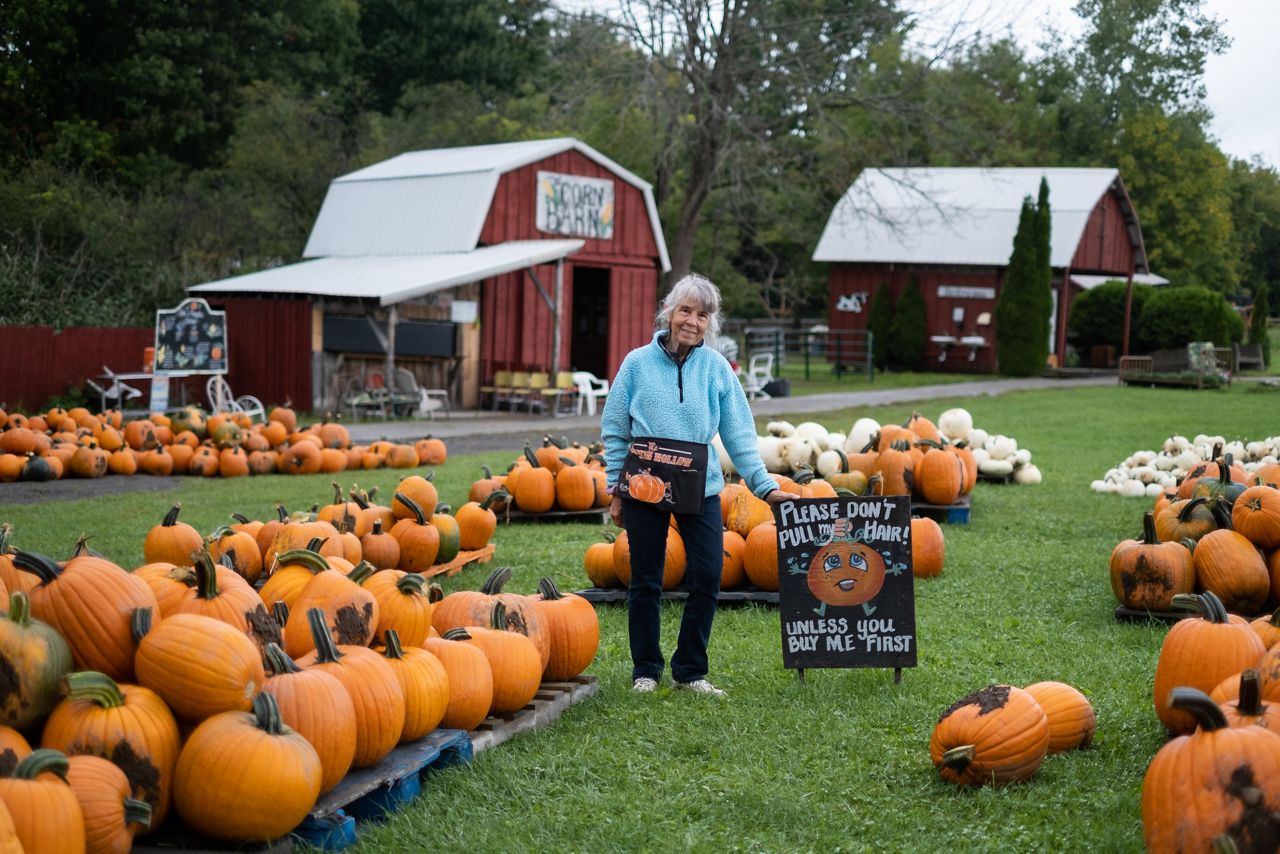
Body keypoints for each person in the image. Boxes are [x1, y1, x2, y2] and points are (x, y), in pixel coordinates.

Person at [601, 273, 799, 697]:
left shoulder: (717, 370)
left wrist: (764, 487)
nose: (692, 321)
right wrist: (615, 488)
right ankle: (646, 670)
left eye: (702, 314)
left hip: (702, 487)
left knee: (708, 575)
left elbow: (740, 435)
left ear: (710, 322)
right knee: (646, 579)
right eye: (685, 310)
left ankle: (689, 671)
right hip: (643, 485)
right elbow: (616, 429)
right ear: (669, 312)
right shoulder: (636, 364)